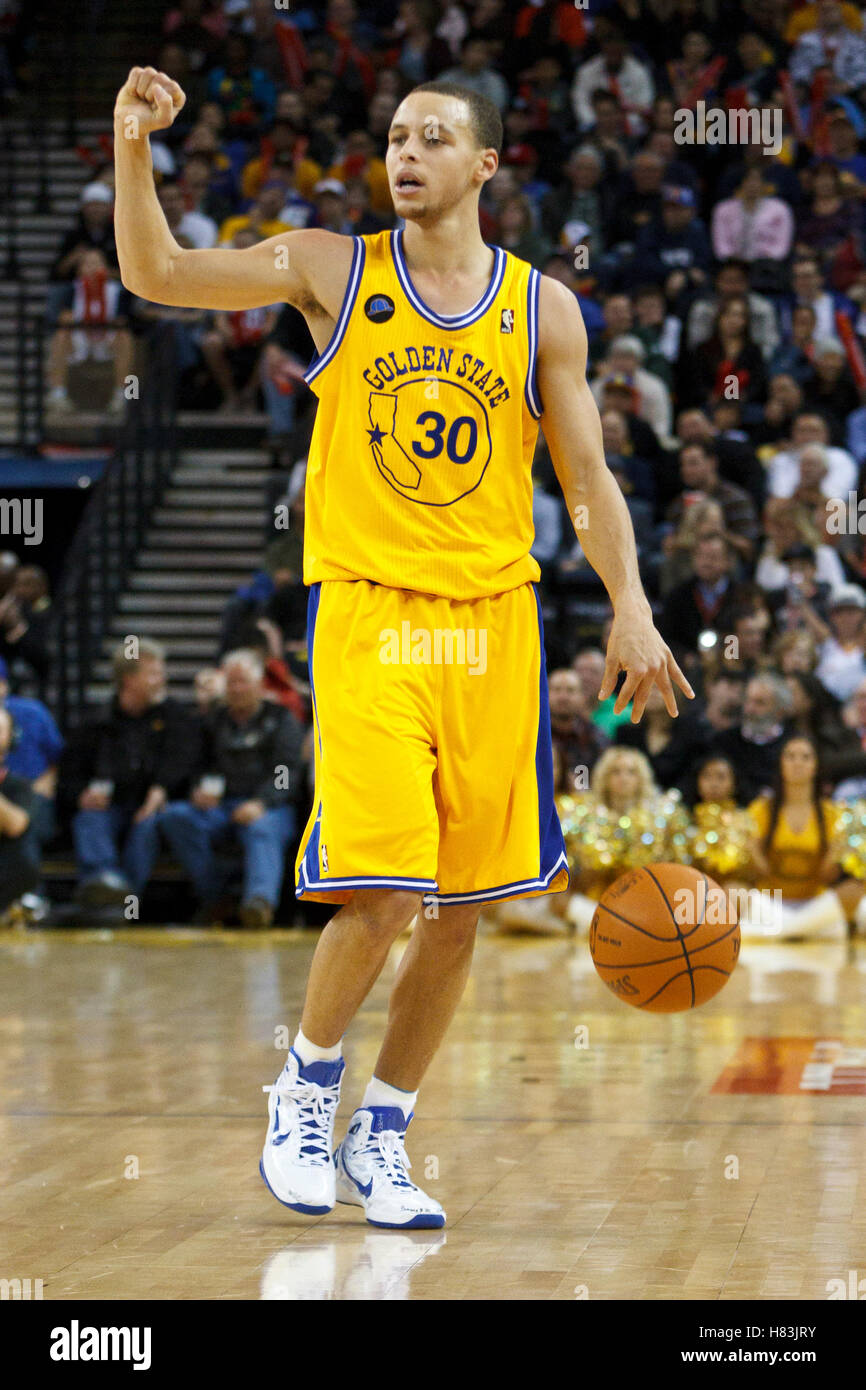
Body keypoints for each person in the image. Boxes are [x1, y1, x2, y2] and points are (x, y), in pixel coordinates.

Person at [114, 66, 691, 1231]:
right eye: (394, 136)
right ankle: (304, 1088)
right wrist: (134, 149)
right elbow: (158, 272)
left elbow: (585, 477)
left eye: (434, 137)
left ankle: (383, 1132)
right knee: (382, 888)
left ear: (486, 165)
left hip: (496, 625)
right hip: (372, 612)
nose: (406, 153)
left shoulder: (544, 311)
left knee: (464, 905)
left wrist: (628, 598)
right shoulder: (332, 266)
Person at [158, 649, 303, 928]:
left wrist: (261, 803)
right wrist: (198, 790)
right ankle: (215, 898)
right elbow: (196, 764)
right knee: (176, 817)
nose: (236, 689)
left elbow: (288, 772)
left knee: (263, 828)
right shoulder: (213, 720)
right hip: (221, 807)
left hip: (269, 806)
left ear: (260, 684)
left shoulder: (282, 719)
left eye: (243, 681)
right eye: (231, 682)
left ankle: (258, 905)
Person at [60, 640, 202, 909]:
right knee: (89, 819)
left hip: (151, 808)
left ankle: (120, 903)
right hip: (109, 808)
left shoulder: (174, 716)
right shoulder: (96, 722)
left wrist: (161, 789)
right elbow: (68, 775)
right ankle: (104, 881)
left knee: (149, 824)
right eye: (153, 674)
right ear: (129, 680)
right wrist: (81, 795)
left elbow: (184, 759)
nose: (162, 680)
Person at [746, 734, 866, 938]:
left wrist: (837, 853)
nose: (797, 763)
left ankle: (784, 932)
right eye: (790, 756)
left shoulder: (831, 813)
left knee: (854, 890)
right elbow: (758, 873)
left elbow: (828, 876)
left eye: (805, 757)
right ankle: (801, 931)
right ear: (781, 764)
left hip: (815, 904)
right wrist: (751, 852)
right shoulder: (761, 809)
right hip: (771, 904)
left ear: (815, 766)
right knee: (731, 891)